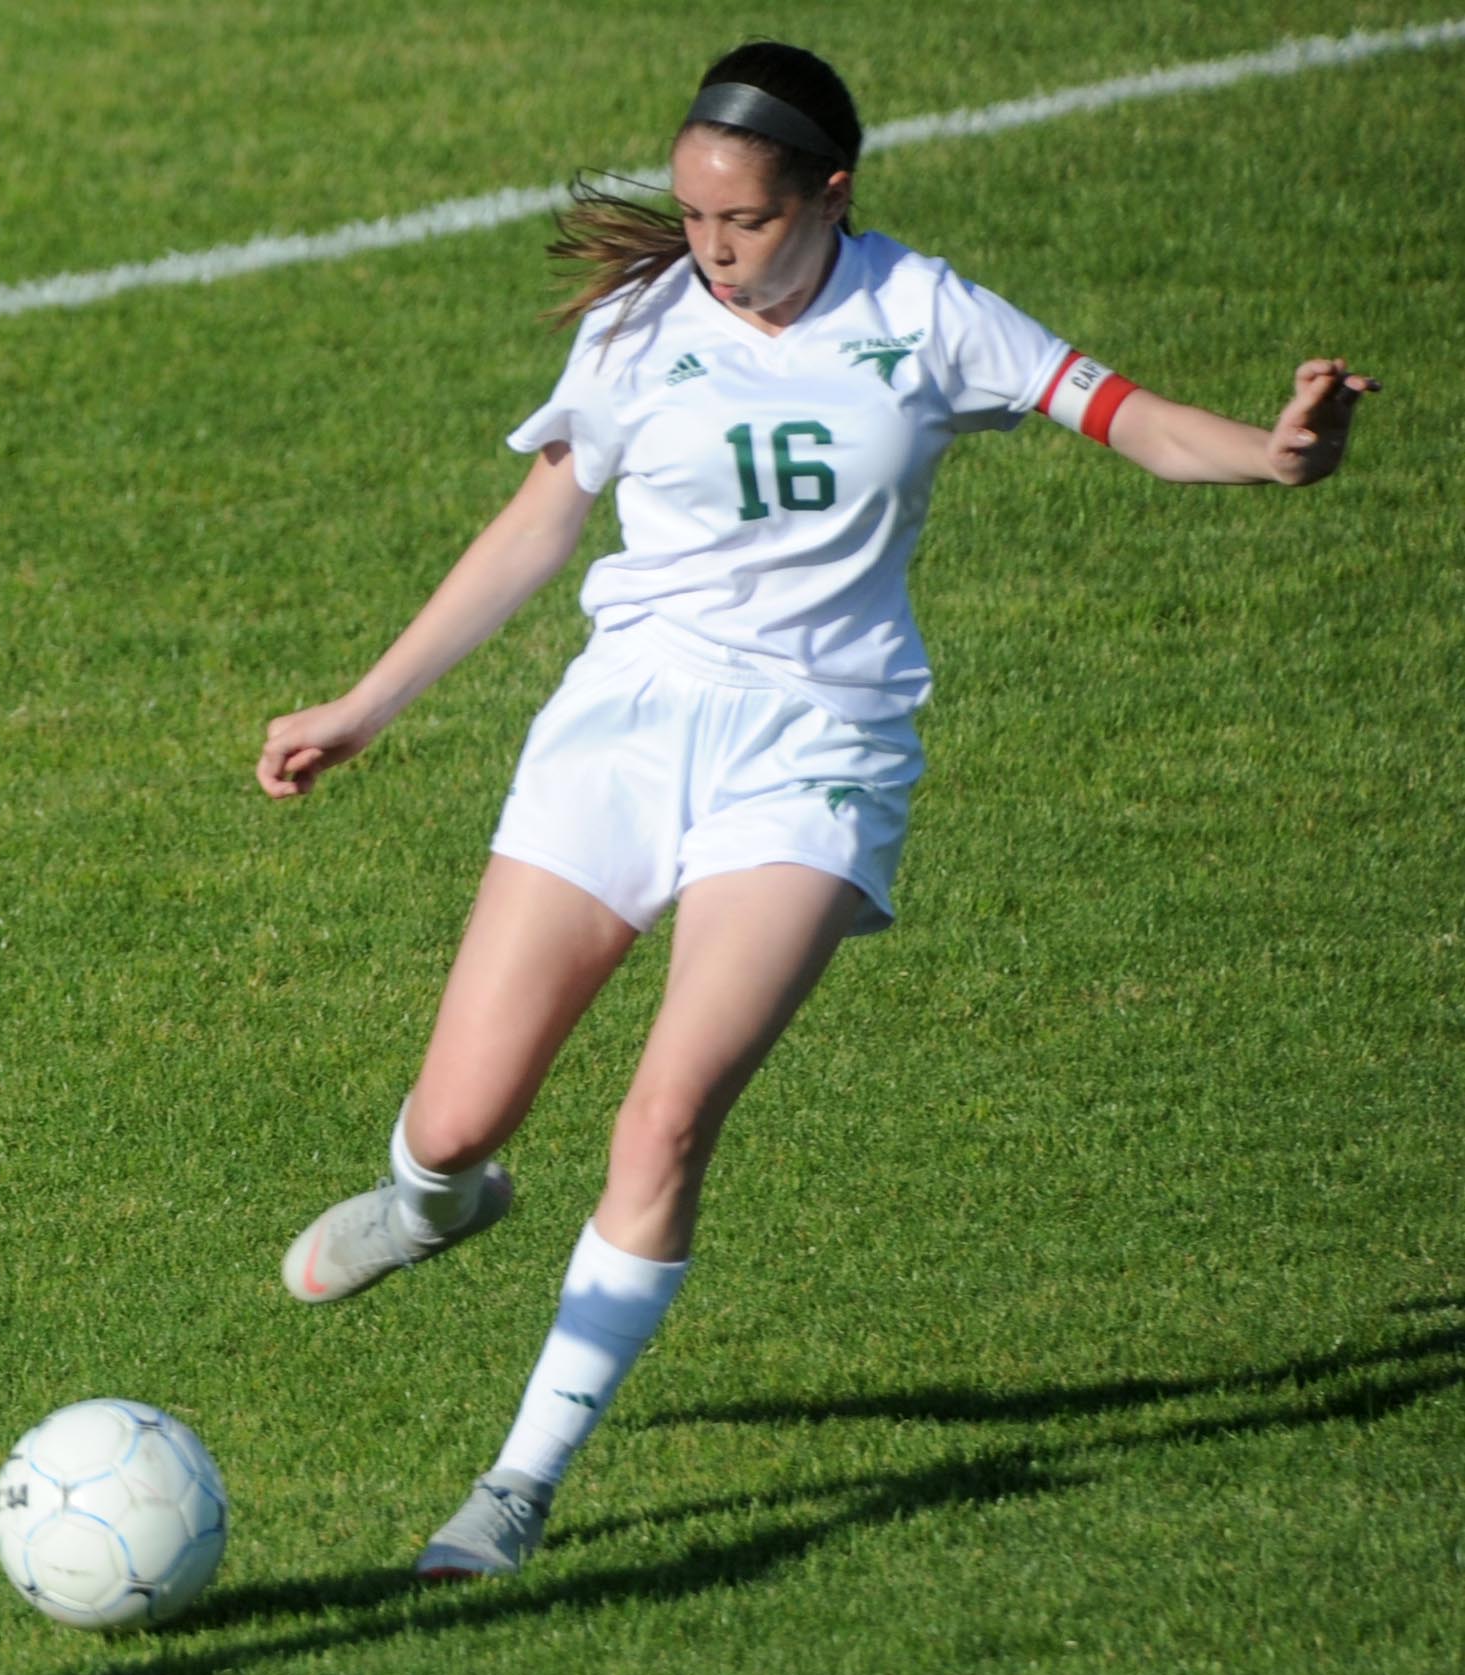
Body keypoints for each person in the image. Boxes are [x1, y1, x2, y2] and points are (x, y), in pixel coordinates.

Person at [255, 41, 1374, 1581]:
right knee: (457, 1121)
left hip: (817, 753)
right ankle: (436, 1202)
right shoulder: (642, 321)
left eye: (743, 222)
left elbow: (1117, 416)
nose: (710, 246)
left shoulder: (923, 314)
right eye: (693, 214)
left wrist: (1270, 453)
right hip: (625, 729)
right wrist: (363, 704)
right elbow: (539, 523)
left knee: (662, 1121)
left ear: (829, 198)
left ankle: (512, 1485)